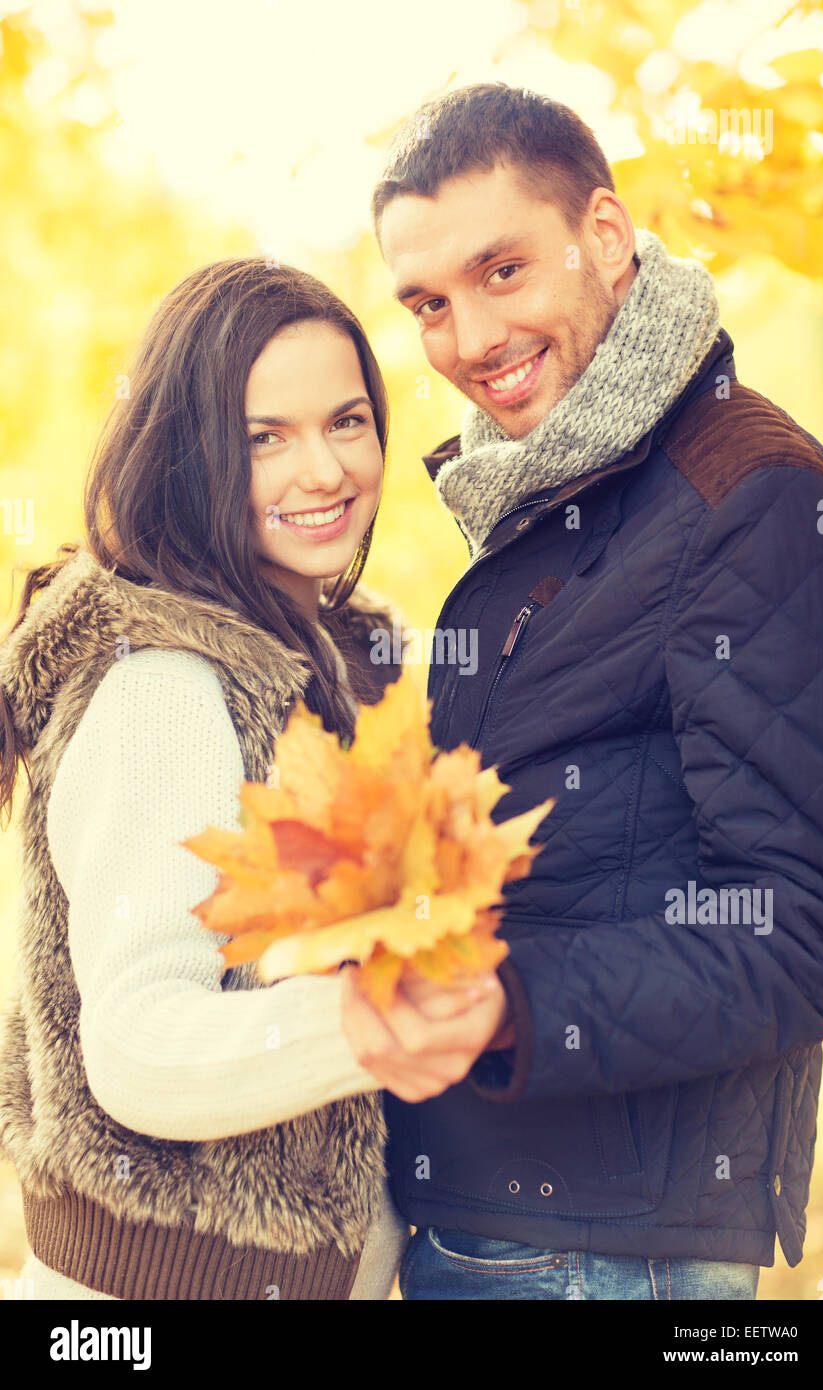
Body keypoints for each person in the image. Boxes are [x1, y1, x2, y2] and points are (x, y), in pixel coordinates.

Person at [337, 82, 823, 1300]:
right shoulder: (570, 490)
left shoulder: (748, 498)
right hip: (510, 1214)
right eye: (427, 305)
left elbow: (809, 929)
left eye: (499, 271)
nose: (465, 339)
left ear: (605, 240)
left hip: (599, 1249)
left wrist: (509, 1004)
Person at [0, 256, 495, 1300]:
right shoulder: (165, 682)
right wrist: (372, 1024)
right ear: (185, 454)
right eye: (261, 437)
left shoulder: (355, 657)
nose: (321, 471)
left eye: (346, 421)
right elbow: (135, 1047)